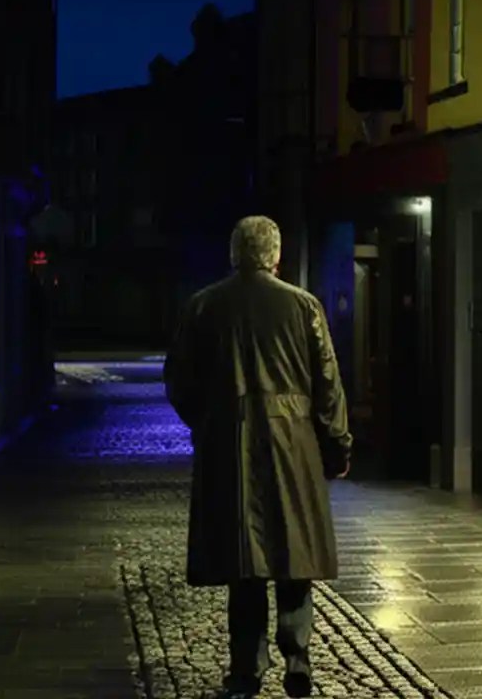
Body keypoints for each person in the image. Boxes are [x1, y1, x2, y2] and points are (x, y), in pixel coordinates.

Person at [164, 215, 352, 699]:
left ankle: (246, 667)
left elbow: (179, 380)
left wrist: (206, 424)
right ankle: (299, 658)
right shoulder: (302, 306)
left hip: (229, 445)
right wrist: (336, 447)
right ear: (275, 255)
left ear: (235, 254)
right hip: (293, 445)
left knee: (243, 561)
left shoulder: (204, 306)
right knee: (294, 556)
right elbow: (327, 385)